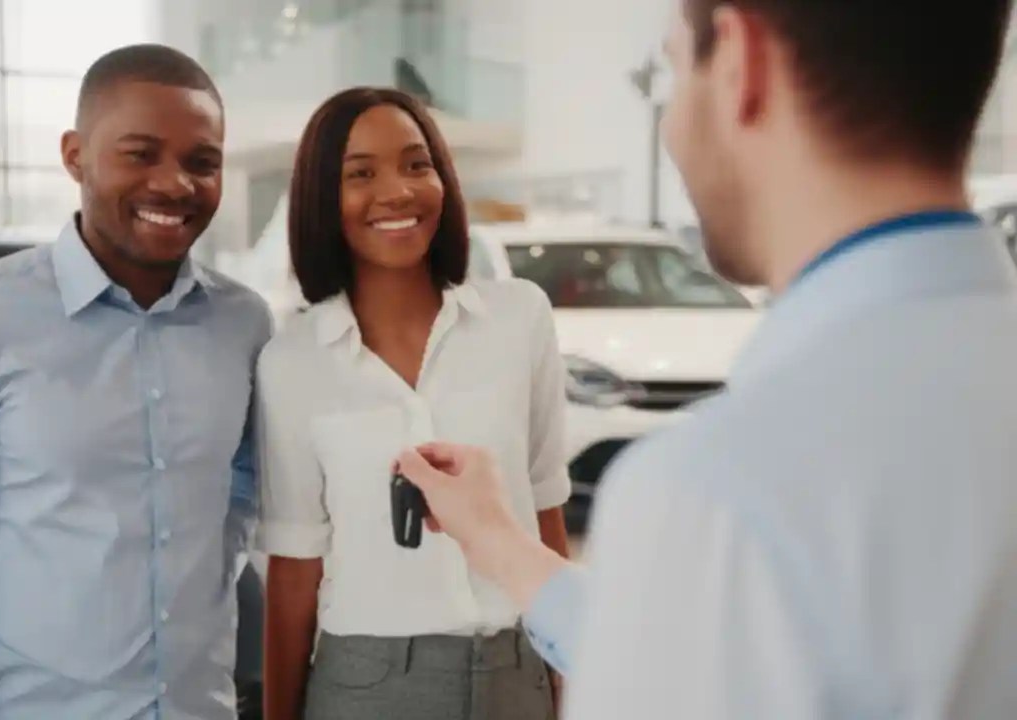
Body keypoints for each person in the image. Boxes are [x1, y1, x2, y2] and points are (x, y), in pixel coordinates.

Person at [397, 0, 1017, 717]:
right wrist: (502, 543)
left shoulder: (723, 492)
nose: (670, 128)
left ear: (737, 60)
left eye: (671, 71)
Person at [0, 45, 272, 720]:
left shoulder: (244, 324)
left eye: (201, 162)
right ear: (74, 155)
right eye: (140, 153)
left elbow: (238, 498)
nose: (174, 184)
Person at [257, 87, 572, 720]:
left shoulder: (520, 318)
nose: (397, 191)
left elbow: (545, 513)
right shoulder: (291, 362)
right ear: (323, 197)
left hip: (518, 676)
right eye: (360, 174)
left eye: (416, 163)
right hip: (366, 688)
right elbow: (294, 571)